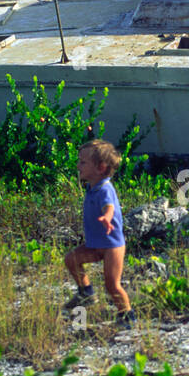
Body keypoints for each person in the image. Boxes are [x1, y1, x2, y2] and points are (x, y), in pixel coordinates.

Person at [64, 139, 135, 325]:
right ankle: (86, 292)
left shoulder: (105, 189)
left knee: (112, 285)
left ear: (100, 168)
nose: (78, 165)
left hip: (112, 246)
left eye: (83, 162)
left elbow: (109, 207)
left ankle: (127, 316)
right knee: (71, 259)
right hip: (96, 245)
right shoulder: (92, 186)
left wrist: (107, 217)